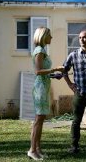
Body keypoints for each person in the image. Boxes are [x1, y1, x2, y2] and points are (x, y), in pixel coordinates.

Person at [28, 27, 64, 160]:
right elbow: (38, 71)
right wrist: (55, 68)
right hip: (40, 89)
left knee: (41, 120)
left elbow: (44, 72)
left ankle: (38, 149)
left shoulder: (42, 50)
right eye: (49, 35)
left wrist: (54, 75)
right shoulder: (39, 51)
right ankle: (32, 150)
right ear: (43, 36)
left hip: (43, 86)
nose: (51, 37)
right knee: (38, 120)